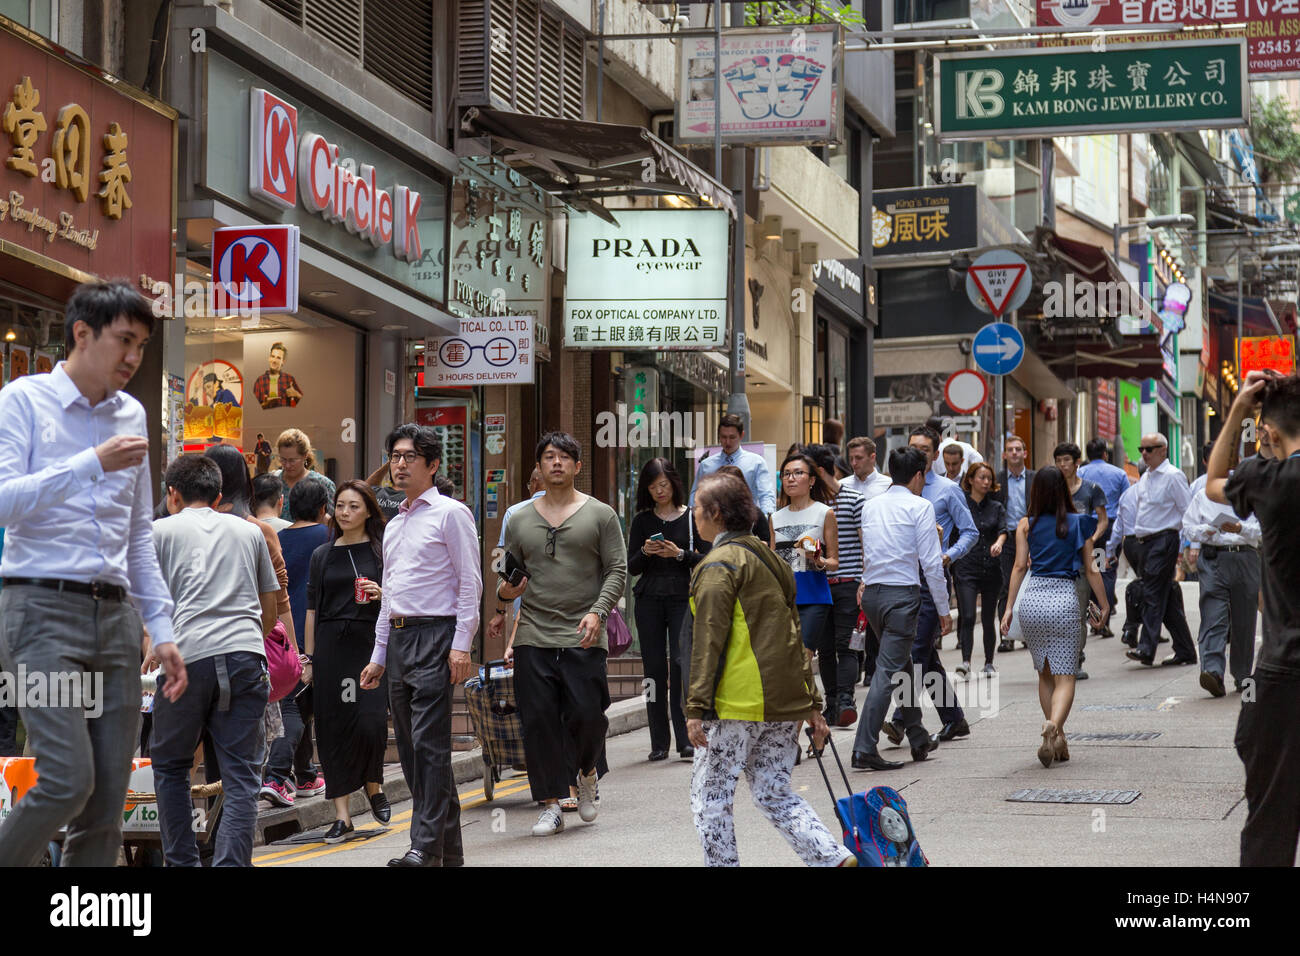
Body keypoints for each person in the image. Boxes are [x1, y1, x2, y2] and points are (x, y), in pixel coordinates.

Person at [0, 280, 186, 867]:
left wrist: (163, 627)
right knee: (64, 779)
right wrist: (90, 464)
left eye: (142, 344)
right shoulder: (23, 400)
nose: (134, 357)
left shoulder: (131, 412)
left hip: (116, 620)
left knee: (108, 807)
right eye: (125, 341)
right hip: (38, 612)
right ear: (82, 333)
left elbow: (137, 536)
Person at [685, 472, 853, 867]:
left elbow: (707, 641)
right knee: (774, 792)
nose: (694, 517)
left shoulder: (717, 565)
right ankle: (831, 857)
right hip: (783, 703)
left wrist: (695, 708)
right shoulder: (772, 560)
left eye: (697, 509)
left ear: (715, 513)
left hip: (734, 703)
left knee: (711, 799)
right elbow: (794, 638)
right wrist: (811, 704)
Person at [491, 432, 627, 838]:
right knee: (538, 721)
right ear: (539, 466)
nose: (556, 463)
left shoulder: (601, 515)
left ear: (577, 466)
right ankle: (550, 803)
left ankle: (586, 772)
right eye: (548, 456)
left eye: (564, 457)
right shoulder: (519, 519)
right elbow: (506, 576)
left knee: (587, 715)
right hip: (534, 632)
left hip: (584, 634)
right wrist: (503, 596)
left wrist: (597, 612)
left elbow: (617, 570)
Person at [359, 424, 481, 867]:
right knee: (413, 749)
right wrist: (377, 655)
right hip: (400, 638)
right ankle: (449, 854)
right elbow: (389, 594)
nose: (400, 464)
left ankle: (424, 847)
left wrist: (461, 644)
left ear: (432, 465)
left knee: (430, 744)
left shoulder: (452, 513)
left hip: (437, 634)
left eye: (410, 456)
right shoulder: (394, 526)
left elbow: (471, 582)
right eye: (395, 455)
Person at [150, 455, 278, 866]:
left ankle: (182, 863)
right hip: (244, 656)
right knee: (242, 779)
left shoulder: (158, 533)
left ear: (172, 494)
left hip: (184, 661)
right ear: (220, 496)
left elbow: (146, 608)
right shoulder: (249, 533)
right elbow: (269, 610)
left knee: (171, 769)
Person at [1205, 369, 1300, 866]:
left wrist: (1239, 407)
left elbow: (1215, 481)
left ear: (1270, 432)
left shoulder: (1270, 480)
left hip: (1284, 672)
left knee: (1270, 818)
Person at [1001, 467, 1108, 767]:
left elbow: (1019, 567)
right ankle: (1054, 727)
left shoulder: (1026, 524)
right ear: (1064, 490)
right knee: (1066, 675)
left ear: (1035, 491)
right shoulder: (1079, 523)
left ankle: (1057, 736)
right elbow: (1091, 569)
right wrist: (1104, 604)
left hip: (1033, 599)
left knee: (1045, 673)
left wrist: (1009, 608)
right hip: (1063, 599)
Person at [851, 447, 949, 770]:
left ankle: (918, 735)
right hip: (902, 597)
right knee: (887, 672)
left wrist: (865, 582)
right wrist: (944, 609)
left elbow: (869, 550)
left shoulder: (870, 505)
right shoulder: (921, 507)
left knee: (901, 663)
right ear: (919, 475)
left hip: (873, 596)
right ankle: (864, 747)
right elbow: (932, 565)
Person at [306, 481, 391, 843]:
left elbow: (402, 594)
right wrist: (309, 658)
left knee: (370, 721)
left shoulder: (381, 549)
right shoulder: (322, 555)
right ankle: (342, 816)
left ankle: (373, 784)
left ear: (369, 511)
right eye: (340, 506)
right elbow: (312, 609)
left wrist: (382, 593)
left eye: (354, 507)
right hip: (331, 648)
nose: (345, 513)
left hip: (369, 644)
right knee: (333, 727)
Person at [884, 425, 976, 744]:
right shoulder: (894, 491)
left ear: (935, 455)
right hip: (901, 578)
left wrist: (948, 555)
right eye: (913, 447)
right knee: (927, 656)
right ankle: (954, 718)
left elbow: (970, 532)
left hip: (931, 576)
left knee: (918, 649)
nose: (918, 453)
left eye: (924, 449)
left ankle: (899, 720)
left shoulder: (947, 491)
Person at [261, 479, 332, 806]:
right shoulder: (329, 538)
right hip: (315, 634)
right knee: (297, 711)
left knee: (296, 705)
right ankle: (277, 775)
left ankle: (304, 774)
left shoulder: (278, 538)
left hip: (281, 635)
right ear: (323, 509)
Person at [627, 458, 703, 761]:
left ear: (674, 483)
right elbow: (632, 567)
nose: (659, 491)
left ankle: (685, 738)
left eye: (664, 484)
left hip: (682, 597)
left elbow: (705, 558)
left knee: (682, 666)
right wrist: (646, 551)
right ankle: (658, 741)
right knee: (653, 671)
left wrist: (679, 554)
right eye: (652, 486)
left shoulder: (691, 517)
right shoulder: (642, 520)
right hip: (649, 599)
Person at [770, 450, 839, 732]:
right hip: (784, 601)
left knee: (801, 661)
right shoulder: (775, 517)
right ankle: (817, 721)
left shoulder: (824, 512)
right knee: (789, 666)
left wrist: (819, 561)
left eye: (798, 473)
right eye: (786, 474)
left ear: (812, 480)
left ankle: (792, 737)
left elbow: (835, 561)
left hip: (814, 598)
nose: (791, 479)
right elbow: (774, 559)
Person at [1183, 452, 1261, 699]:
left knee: (1244, 619)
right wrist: (1206, 531)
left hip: (1245, 557)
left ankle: (1242, 675)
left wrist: (1240, 527)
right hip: (1213, 557)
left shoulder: (1252, 493)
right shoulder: (1201, 495)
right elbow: (1188, 526)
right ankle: (1213, 672)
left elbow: (1262, 530)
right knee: (1213, 615)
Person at [1124, 434, 1196, 667]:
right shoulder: (1146, 477)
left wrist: (1190, 545)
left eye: (1149, 449)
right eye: (1141, 448)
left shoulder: (1173, 477)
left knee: (1152, 593)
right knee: (1167, 597)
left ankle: (1146, 648)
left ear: (1163, 450)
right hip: (1145, 544)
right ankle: (1185, 649)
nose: (1144, 453)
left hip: (1164, 541)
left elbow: (1188, 511)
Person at [806, 444, 864, 726]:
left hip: (849, 584)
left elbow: (868, 545)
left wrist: (865, 580)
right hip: (819, 585)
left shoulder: (854, 499)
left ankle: (845, 699)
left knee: (847, 645)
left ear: (818, 472)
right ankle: (832, 702)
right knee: (825, 649)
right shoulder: (811, 506)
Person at [1053, 442, 1108, 681]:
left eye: (1067, 460)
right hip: (1056, 559)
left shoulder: (1091, 489)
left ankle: (1075, 657)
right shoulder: (1052, 490)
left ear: (1077, 463)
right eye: (1059, 460)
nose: (1063, 464)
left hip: (1083, 558)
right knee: (1058, 614)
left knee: (1079, 610)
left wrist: (1091, 539)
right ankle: (1062, 658)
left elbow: (1103, 519)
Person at [952, 462, 1006, 678]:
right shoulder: (960, 505)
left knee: (987, 618)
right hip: (966, 567)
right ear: (971, 479)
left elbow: (1003, 530)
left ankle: (989, 662)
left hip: (991, 568)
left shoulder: (996, 507)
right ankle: (965, 662)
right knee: (966, 615)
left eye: (989, 479)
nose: (986, 482)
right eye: (982, 478)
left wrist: (999, 542)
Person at [1079, 438, 1129, 635]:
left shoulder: (1081, 473)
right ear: (1105, 455)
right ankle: (1102, 621)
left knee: (1092, 571)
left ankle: (1096, 620)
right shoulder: (1119, 474)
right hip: (1109, 530)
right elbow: (1126, 503)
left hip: (1087, 529)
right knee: (1106, 572)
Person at [689, 413, 776, 515]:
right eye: (723, 437)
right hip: (714, 524)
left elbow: (766, 495)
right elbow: (695, 497)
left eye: (732, 437)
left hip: (746, 522)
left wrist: (766, 521)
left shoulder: (756, 463)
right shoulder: (706, 465)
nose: (727, 442)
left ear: (741, 435)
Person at [994, 435, 1034, 652]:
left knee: (1028, 587)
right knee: (1006, 587)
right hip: (1007, 537)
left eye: (1018, 449)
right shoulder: (998, 480)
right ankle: (1006, 634)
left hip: (1031, 537)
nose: (1015, 453)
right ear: (1005, 454)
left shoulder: (1034, 478)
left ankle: (1026, 632)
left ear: (1025, 453)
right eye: (1011, 449)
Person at [1105, 473, 1145, 647]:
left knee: (1099, 573)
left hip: (1097, 539)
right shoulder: (1119, 475)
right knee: (1150, 586)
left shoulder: (1128, 493)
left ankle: (1102, 616)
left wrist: (1109, 550)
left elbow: (1119, 525)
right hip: (1147, 542)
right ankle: (1109, 615)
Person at [273, 428, 336, 522]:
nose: (287, 465)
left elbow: (331, 523)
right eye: (283, 459)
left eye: (292, 460)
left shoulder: (323, 484)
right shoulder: (274, 482)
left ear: (305, 456)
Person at [253, 341, 303, 410]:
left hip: (287, 419)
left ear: (283, 361)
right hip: (266, 419)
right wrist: (265, 404)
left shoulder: (289, 379)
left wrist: (296, 394)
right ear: (269, 358)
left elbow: (305, 405)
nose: (274, 360)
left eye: (278, 358)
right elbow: (252, 409)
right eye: (273, 356)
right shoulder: (260, 381)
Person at [841, 436, 892, 501]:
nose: (854, 463)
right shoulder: (842, 485)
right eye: (851, 459)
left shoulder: (888, 485)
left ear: (872, 457)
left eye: (859, 458)